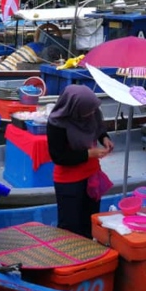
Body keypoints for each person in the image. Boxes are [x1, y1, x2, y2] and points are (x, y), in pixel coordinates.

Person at [47, 85, 114, 238]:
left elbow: (98, 128)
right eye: (87, 111)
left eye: (93, 110)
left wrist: (104, 138)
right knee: (70, 227)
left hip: (91, 176)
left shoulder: (92, 112)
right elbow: (59, 157)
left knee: (90, 222)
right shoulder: (57, 123)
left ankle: (90, 257)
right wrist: (89, 153)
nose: (91, 114)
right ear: (74, 108)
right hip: (69, 181)